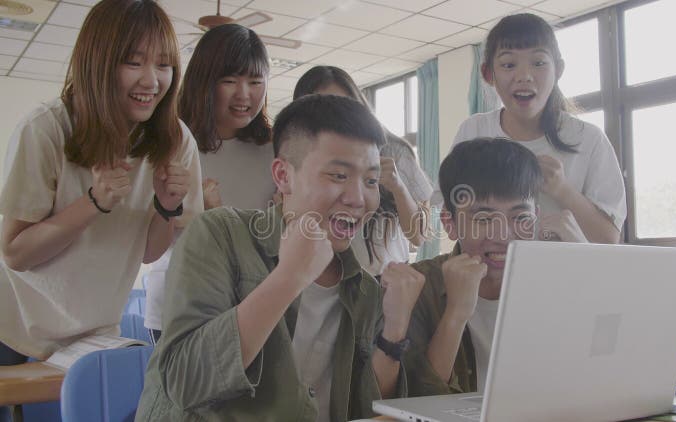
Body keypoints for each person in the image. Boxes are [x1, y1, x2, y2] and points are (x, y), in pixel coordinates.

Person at [135, 94, 425, 421]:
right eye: (338, 176)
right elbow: (185, 382)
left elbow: (367, 409)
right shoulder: (220, 235)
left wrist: (395, 330)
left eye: (371, 181)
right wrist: (287, 279)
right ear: (283, 176)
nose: (358, 198)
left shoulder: (363, 289)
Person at [0, 0, 202, 364]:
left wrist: (166, 207)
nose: (151, 80)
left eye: (163, 64)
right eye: (134, 61)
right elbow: (16, 253)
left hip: (93, 336)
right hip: (14, 329)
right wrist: (95, 202)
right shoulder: (46, 129)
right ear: (98, 62)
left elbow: (149, 252)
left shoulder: (176, 140)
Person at [405, 138, 586, 397]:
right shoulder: (419, 285)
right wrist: (455, 314)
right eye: (483, 218)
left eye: (520, 217)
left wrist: (587, 267)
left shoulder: (553, 278)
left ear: (535, 215)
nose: (503, 235)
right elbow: (419, 400)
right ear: (450, 222)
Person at [143, 23, 275, 343]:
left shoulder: (274, 150)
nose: (244, 94)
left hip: (250, 304)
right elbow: (147, 231)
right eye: (229, 81)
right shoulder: (170, 142)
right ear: (204, 82)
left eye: (255, 81)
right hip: (180, 304)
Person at [452, 13, 626, 244]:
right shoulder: (473, 131)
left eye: (539, 63)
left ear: (559, 70)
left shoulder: (589, 139)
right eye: (508, 64)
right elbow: (449, 217)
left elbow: (608, 240)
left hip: (561, 275)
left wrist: (562, 190)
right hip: (490, 275)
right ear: (488, 74)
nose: (524, 76)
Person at [293, 65, 433, 275]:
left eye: (343, 104)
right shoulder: (300, 158)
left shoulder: (393, 150)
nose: (334, 115)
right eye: (320, 107)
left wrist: (398, 186)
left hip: (387, 280)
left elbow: (418, 236)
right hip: (328, 280)